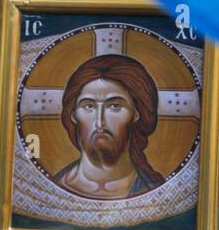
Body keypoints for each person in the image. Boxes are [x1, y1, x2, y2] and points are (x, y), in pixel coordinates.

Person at [54, 54, 164, 198]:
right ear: (73, 115)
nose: (99, 122)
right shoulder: (49, 189)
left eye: (114, 106)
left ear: (136, 114)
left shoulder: (156, 193)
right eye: (88, 106)